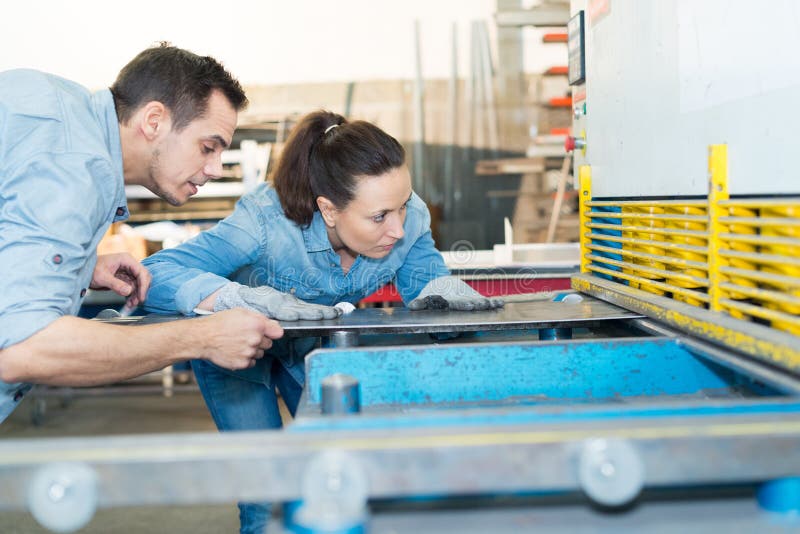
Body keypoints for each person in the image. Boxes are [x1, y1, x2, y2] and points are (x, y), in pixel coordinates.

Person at [141, 110, 504, 533]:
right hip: (235, 352)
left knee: (341, 475)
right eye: (380, 216)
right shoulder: (264, 220)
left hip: (314, 350)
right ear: (328, 210)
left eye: (403, 206)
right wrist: (238, 297)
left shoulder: (408, 217)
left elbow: (421, 277)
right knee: (267, 497)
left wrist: (439, 290)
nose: (399, 229)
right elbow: (158, 273)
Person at [0, 43, 284, 423]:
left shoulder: (59, 109)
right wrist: (202, 337)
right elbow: (23, 350)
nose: (215, 168)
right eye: (207, 147)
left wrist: (81, 264)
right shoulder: (77, 169)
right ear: (153, 121)